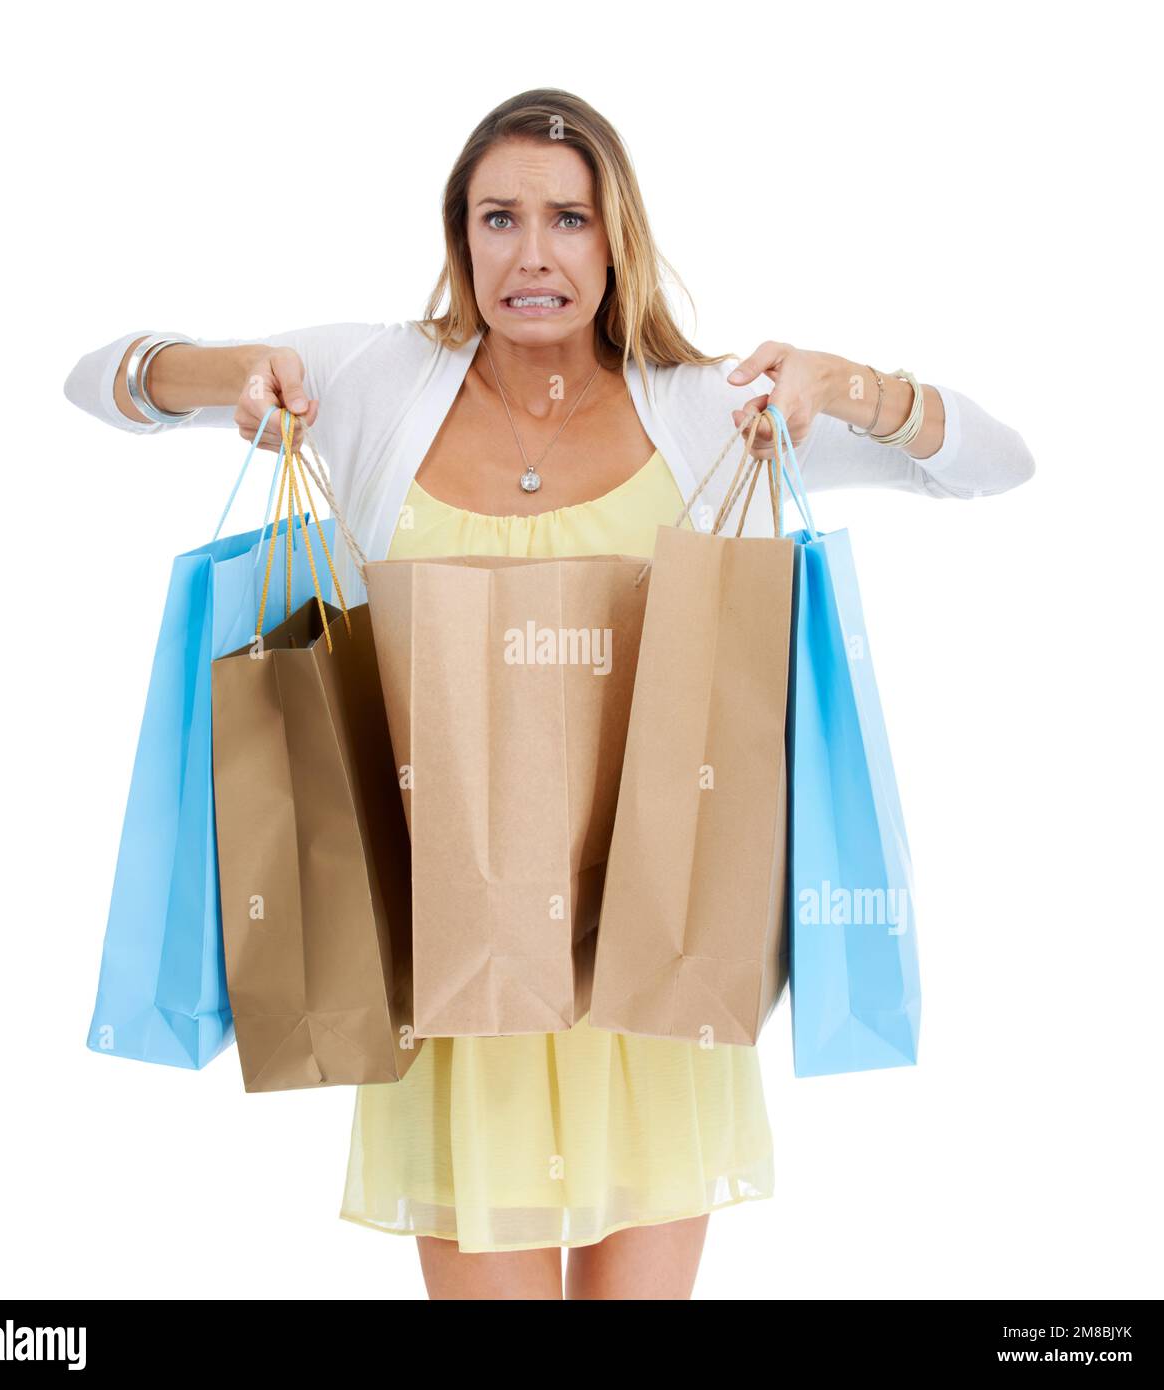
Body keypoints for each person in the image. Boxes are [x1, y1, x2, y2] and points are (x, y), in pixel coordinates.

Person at [64, 86, 1035, 1300]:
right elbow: (99, 381)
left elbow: (997, 464)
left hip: (651, 972)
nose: (531, 254)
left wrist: (847, 388)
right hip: (454, 992)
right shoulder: (374, 384)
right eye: (498, 219)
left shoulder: (703, 410)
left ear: (614, 237)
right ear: (457, 238)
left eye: (569, 219)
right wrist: (232, 374)